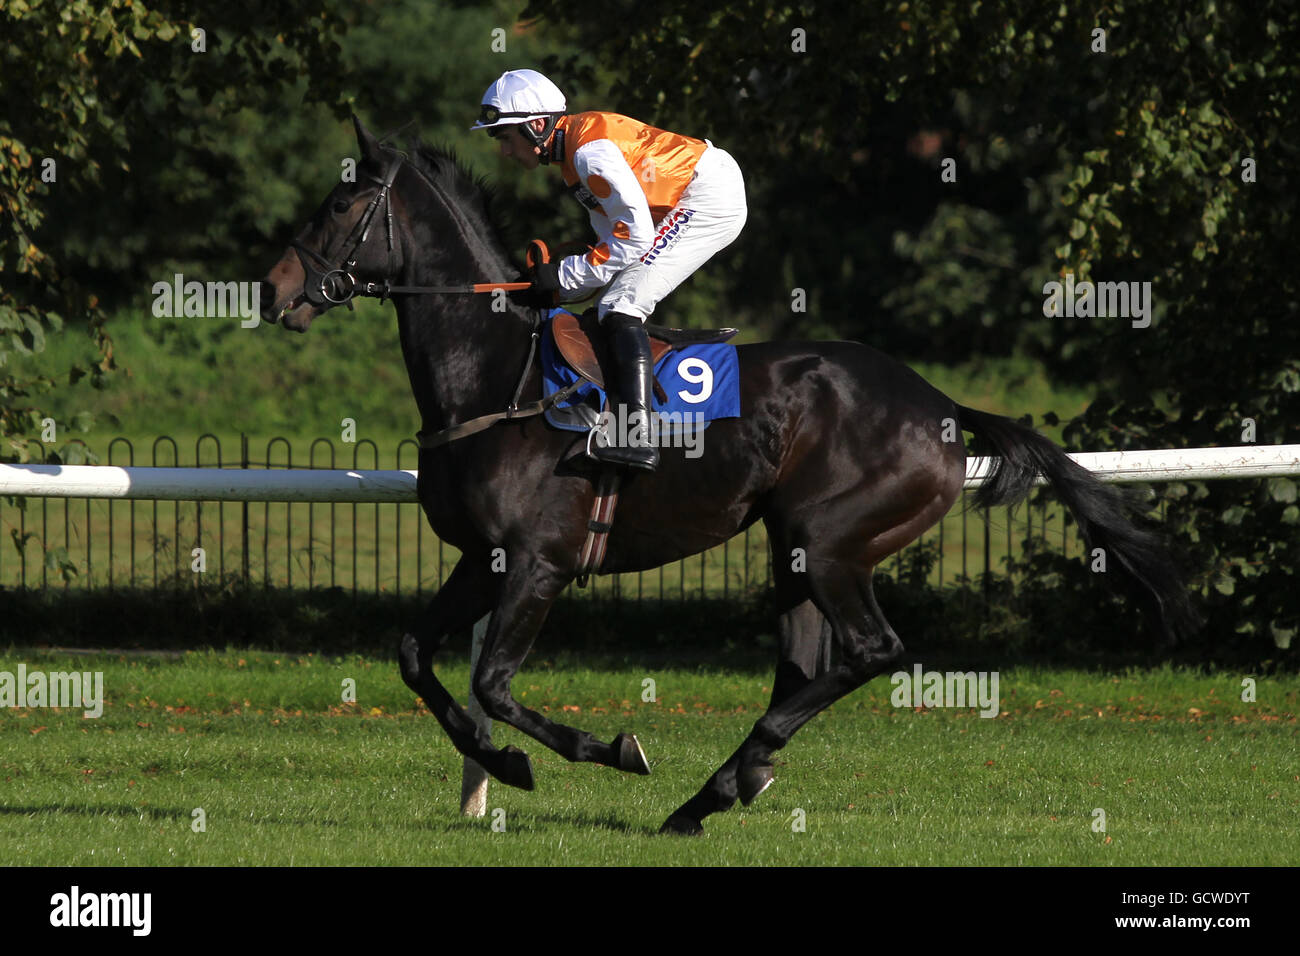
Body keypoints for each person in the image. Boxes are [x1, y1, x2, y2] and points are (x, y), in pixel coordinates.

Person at [471, 69, 747, 472]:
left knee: (621, 304)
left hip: (707, 198)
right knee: (611, 301)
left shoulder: (587, 153)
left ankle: (636, 436)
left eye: (505, 138)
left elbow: (632, 238)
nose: (505, 152)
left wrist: (564, 278)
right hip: (693, 193)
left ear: (535, 126)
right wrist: (563, 287)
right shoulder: (573, 155)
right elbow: (611, 236)